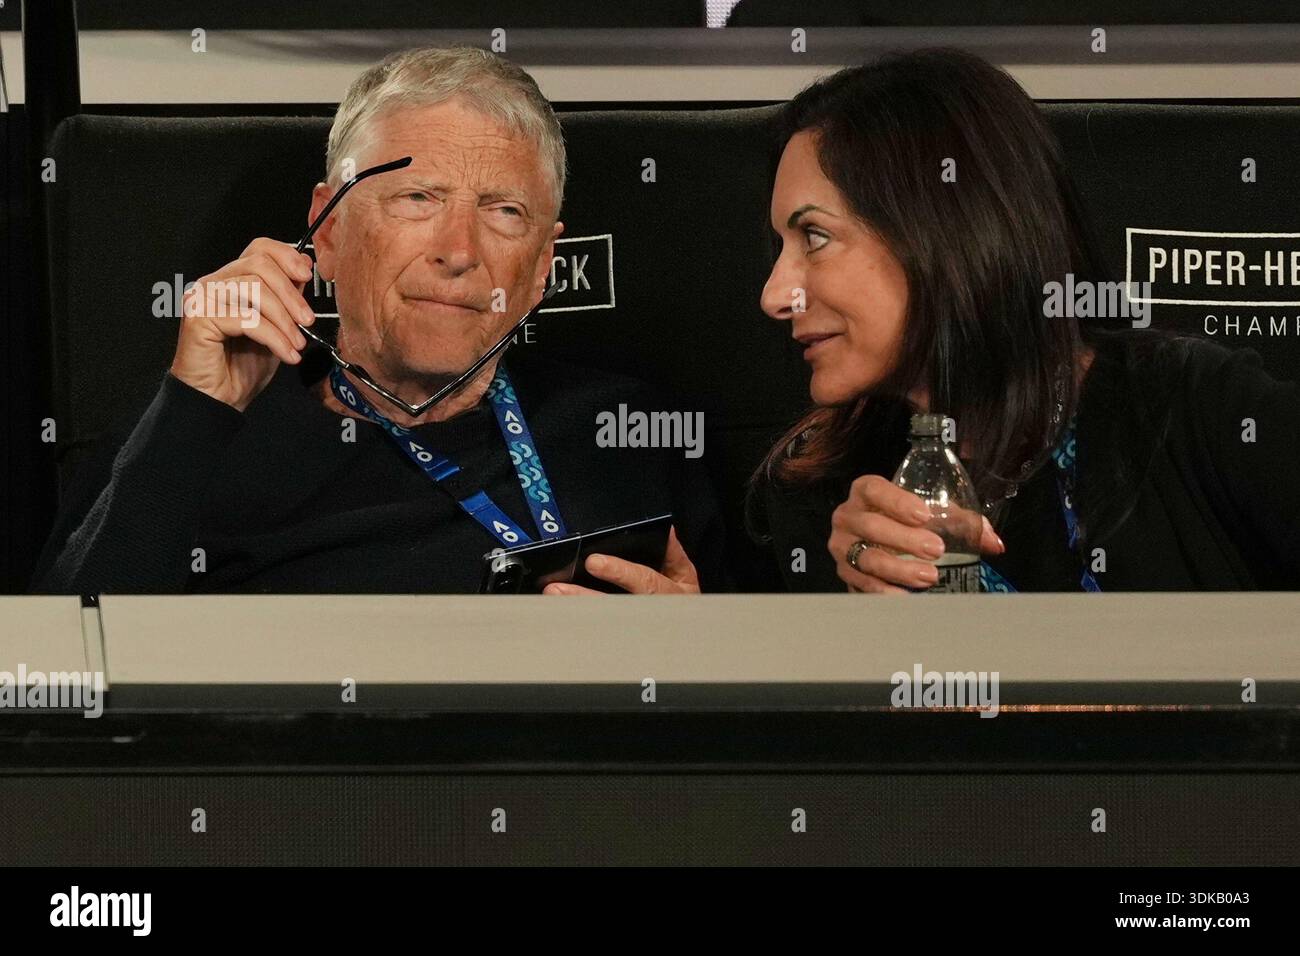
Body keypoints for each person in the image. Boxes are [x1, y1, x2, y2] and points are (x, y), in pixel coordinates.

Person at [32, 46, 725, 595]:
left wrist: (692, 658)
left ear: (543, 265)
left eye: (504, 212)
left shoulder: (628, 433)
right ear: (326, 231)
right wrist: (192, 412)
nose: (459, 252)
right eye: (417, 199)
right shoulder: (196, 430)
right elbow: (60, 685)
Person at [749, 49, 1300, 592]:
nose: (775, 295)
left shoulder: (1198, 409)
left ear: (945, 230)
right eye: (780, 247)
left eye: (814, 238)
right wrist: (857, 624)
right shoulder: (820, 494)